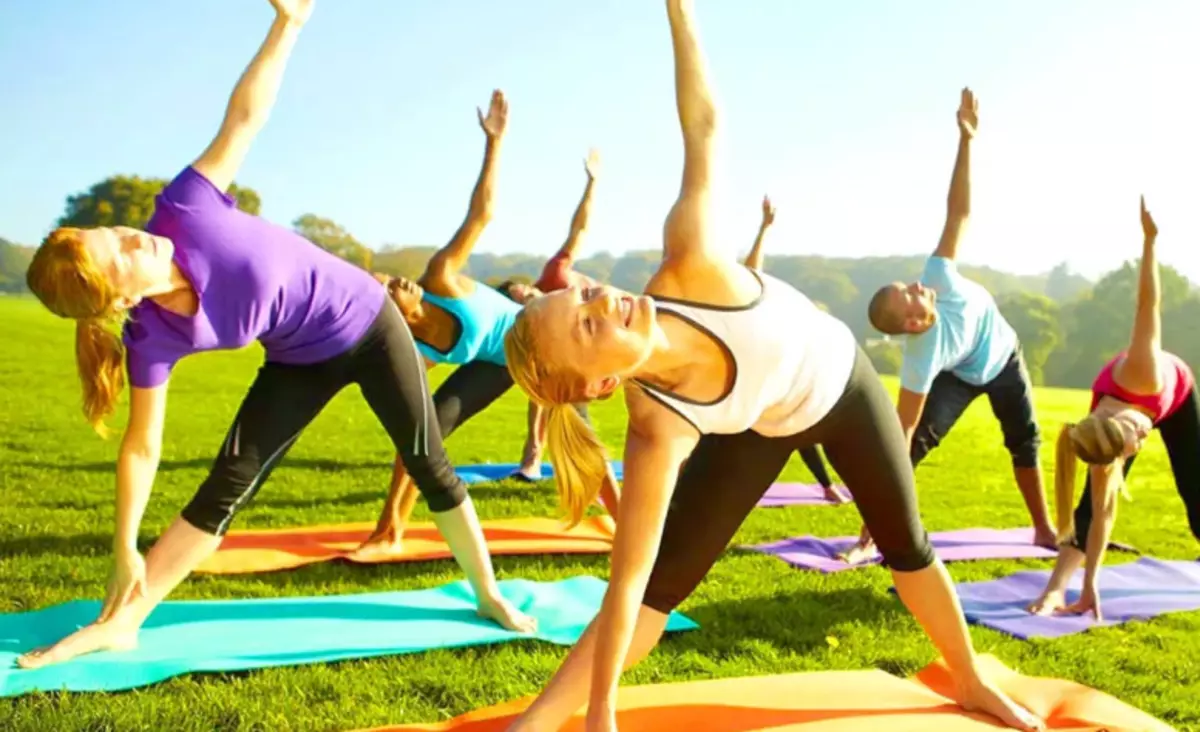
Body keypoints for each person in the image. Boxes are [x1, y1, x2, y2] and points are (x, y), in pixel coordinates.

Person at [499, 1, 1044, 730]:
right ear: (602, 384)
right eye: (592, 324)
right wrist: (601, 714)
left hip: (842, 388)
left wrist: (678, 10)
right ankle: (536, 721)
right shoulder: (656, 427)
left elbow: (705, 127)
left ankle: (972, 679)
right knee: (661, 586)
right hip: (760, 424)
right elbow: (627, 585)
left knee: (906, 546)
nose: (610, 301)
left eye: (590, 293)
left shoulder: (687, 263)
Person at [16, 0, 535, 671]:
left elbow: (244, 119)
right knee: (227, 482)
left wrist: (288, 24)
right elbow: (141, 448)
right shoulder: (151, 336)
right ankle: (127, 621)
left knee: (425, 457)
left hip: (370, 323)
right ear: (118, 297)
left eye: (115, 231)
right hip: (299, 358)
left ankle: (488, 592)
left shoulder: (185, 208)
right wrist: (124, 547)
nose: (134, 235)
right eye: (122, 251)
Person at [355, 102, 619, 559]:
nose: (398, 281)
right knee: (424, 431)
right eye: (387, 289)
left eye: (391, 278)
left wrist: (494, 142)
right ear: (392, 315)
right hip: (496, 365)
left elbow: (482, 214)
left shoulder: (441, 277)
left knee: (578, 434)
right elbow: (404, 396)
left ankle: (627, 523)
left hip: (542, 350)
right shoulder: (414, 346)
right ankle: (389, 530)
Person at [845, 88, 1057, 563]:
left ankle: (1044, 529)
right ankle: (873, 532)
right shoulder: (921, 356)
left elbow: (957, 212)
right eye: (910, 294)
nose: (918, 285)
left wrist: (966, 140)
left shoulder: (939, 274)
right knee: (914, 446)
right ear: (914, 322)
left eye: (910, 285)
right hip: (958, 374)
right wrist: (873, 516)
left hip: (1003, 357)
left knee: (1024, 439)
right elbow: (903, 428)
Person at [1028, 198, 1198, 622]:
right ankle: (1056, 585)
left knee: (1196, 483)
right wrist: (1086, 588)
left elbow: (1147, 305)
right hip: (1127, 418)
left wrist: (1150, 241)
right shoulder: (1100, 444)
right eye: (1133, 448)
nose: (1142, 443)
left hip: (1176, 395)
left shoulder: (1141, 372)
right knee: (1091, 506)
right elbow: (1100, 516)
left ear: (1120, 421)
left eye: (1136, 437)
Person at [743, 193, 848, 504]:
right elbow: (753, 271)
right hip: (750, 391)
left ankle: (829, 486)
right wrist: (764, 228)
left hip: (778, 389)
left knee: (803, 431)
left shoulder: (800, 336)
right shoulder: (759, 311)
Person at [513, 150, 604, 483]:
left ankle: (588, 469)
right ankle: (534, 459)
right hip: (580, 347)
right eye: (514, 297)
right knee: (547, 395)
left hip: (615, 328)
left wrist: (592, 183)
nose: (519, 293)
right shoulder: (532, 325)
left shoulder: (556, 275)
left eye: (518, 288)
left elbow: (579, 230)